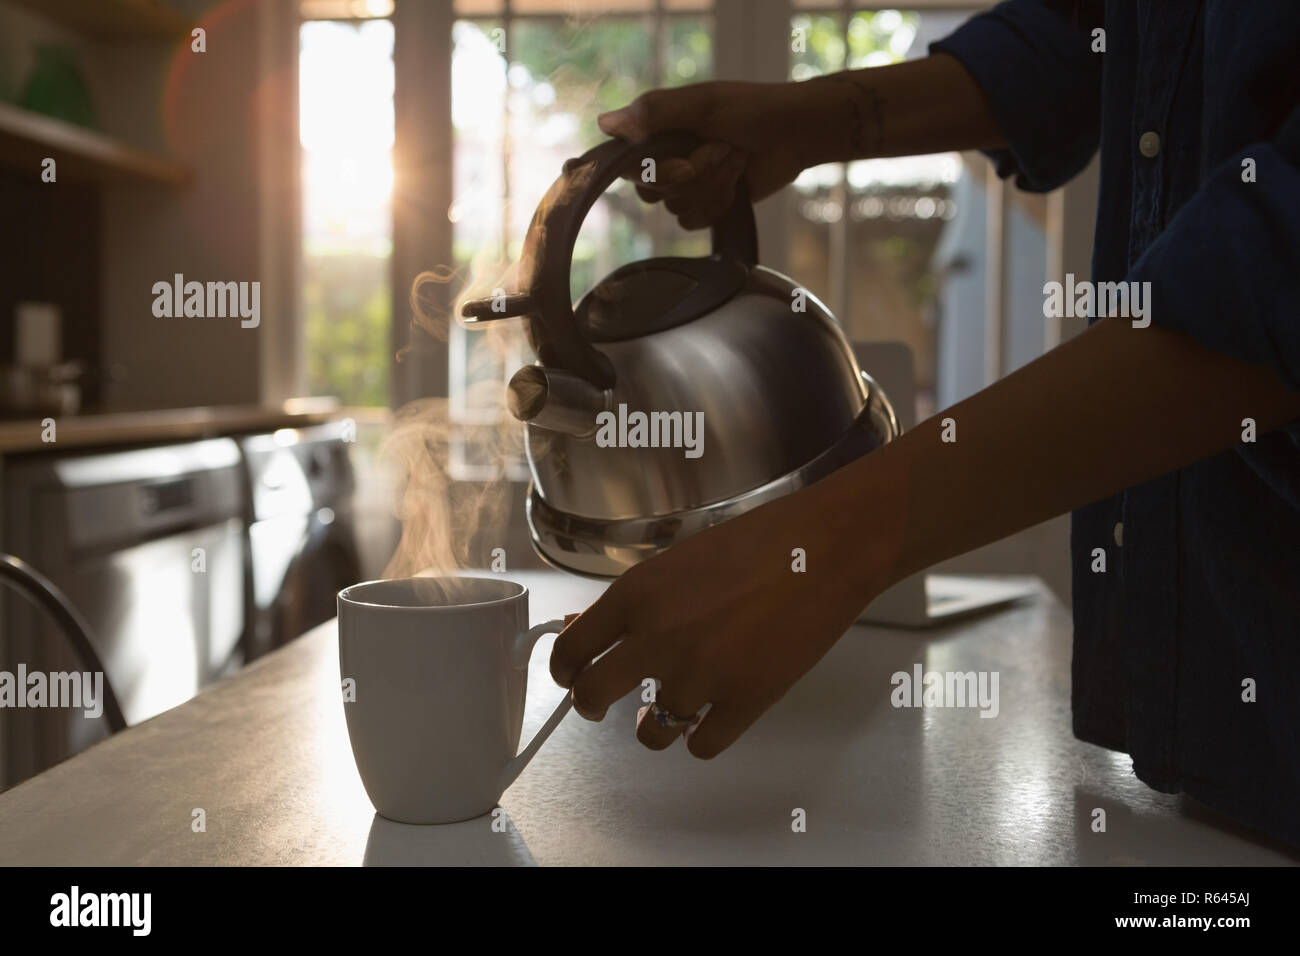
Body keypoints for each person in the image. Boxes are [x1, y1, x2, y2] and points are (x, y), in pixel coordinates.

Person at [549, 0, 1300, 848]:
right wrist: (810, 119)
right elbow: (1097, 32)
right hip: (1203, 784)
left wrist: (830, 547)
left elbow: (1278, 271)